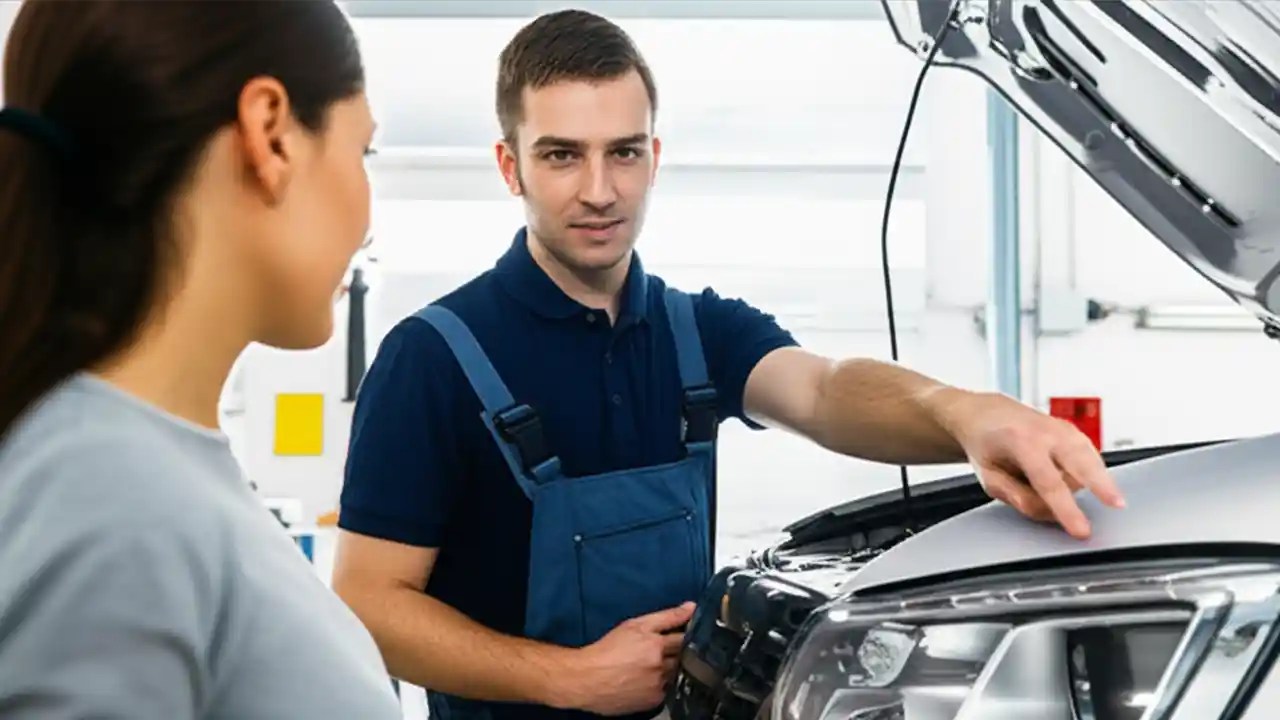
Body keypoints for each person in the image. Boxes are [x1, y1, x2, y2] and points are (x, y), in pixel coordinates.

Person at [332, 8, 1126, 720]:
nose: (602, 190)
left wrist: (964, 412)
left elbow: (824, 389)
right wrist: (566, 678)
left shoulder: (695, 330)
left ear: (655, 155)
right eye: (563, 155)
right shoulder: (431, 359)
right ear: (511, 168)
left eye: (625, 153)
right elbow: (367, 604)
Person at [0, 1, 401, 718]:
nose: (369, 214)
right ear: (270, 133)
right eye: (362, 151)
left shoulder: (141, 466)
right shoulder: (104, 489)